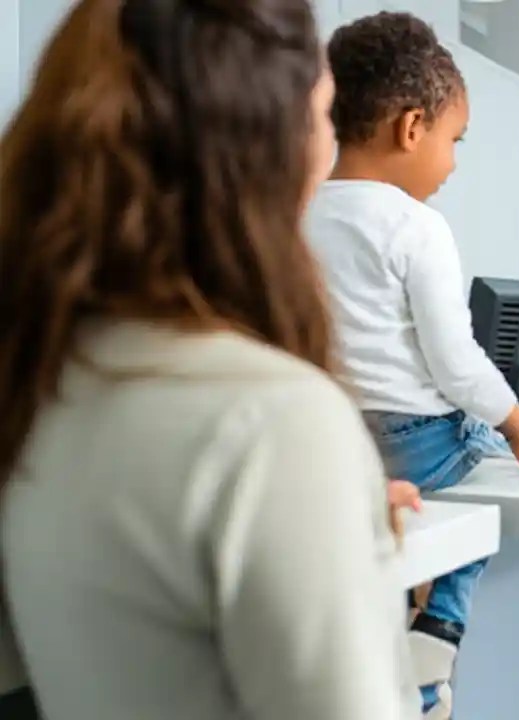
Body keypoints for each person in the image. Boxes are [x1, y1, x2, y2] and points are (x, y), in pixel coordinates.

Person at [0, 1, 422, 718]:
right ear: (267, 148)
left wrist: (314, 517)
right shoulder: (271, 423)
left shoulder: (39, 379)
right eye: (323, 117)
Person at [304, 13, 519, 719]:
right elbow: (456, 364)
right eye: (453, 141)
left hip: (339, 441)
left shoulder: (295, 212)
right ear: (410, 128)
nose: (454, 163)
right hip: (421, 440)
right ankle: (442, 624)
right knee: (489, 472)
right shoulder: (415, 225)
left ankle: (402, 616)